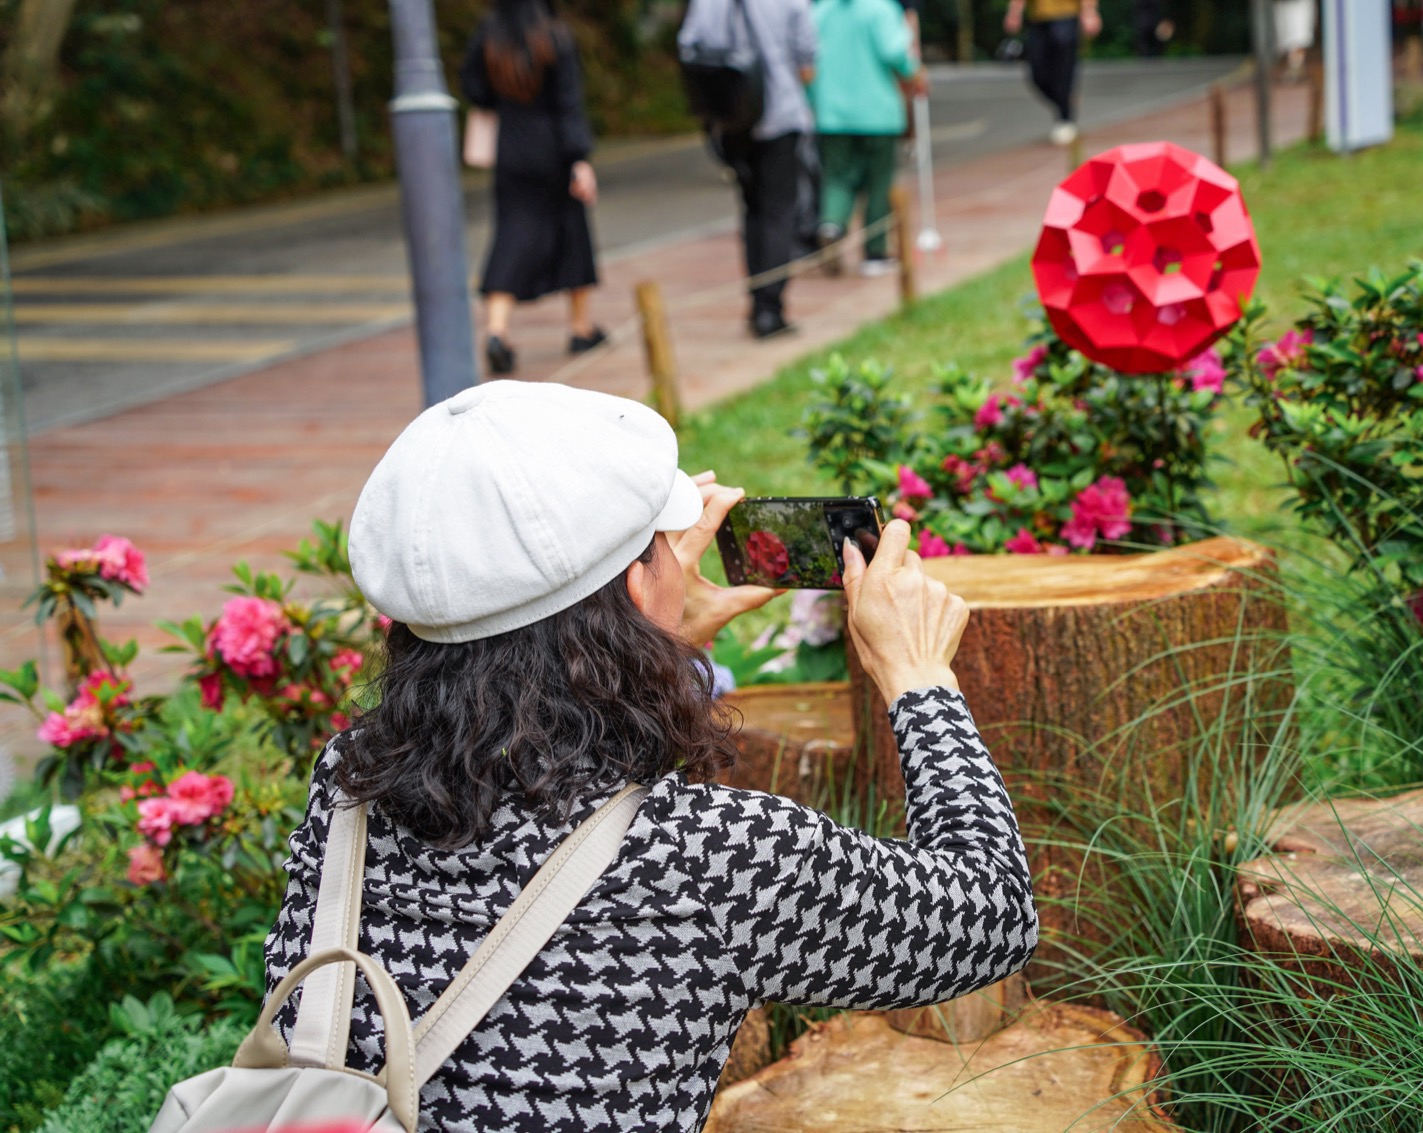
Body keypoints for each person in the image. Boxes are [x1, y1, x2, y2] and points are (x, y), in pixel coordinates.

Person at [261, 380, 1038, 1132]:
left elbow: (556, 804)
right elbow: (993, 914)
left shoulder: (349, 779)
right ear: (636, 585)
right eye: (668, 546)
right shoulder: (706, 854)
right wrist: (919, 676)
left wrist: (649, 646)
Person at [461, 0, 606, 376]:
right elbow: (568, 101)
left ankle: (497, 331)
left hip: (511, 147)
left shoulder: (489, 34)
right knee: (572, 232)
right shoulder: (554, 35)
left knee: (512, 234)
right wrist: (579, 158)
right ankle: (580, 327)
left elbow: (474, 88)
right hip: (553, 149)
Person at [679, 0, 817, 339]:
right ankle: (769, 306)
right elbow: (808, 64)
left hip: (731, 121)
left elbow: (689, 47)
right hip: (779, 118)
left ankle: (758, 301)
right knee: (778, 213)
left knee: (752, 211)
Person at [810, 0, 923, 277]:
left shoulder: (820, 11)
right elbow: (895, 51)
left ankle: (832, 223)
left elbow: (806, 59)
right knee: (878, 183)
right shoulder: (881, 9)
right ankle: (875, 253)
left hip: (831, 114)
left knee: (837, 178)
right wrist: (914, 72)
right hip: (877, 112)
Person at [1003, 0, 1101, 146]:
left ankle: (1065, 119)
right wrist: (1014, 12)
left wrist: (1089, 11)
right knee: (1037, 73)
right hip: (1038, 19)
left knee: (1063, 71)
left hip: (1067, 16)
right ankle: (1066, 103)